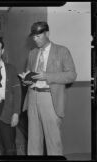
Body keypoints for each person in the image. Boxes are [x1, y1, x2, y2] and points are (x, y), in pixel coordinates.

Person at [19, 21, 77, 155]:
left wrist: (47, 76)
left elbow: (71, 75)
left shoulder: (62, 51)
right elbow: (30, 73)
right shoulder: (32, 53)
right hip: (32, 97)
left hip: (50, 98)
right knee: (33, 140)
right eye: (33, 37)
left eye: (38, 36)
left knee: (53, 141)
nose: (35, 40)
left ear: (47, 33)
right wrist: (26, 80)